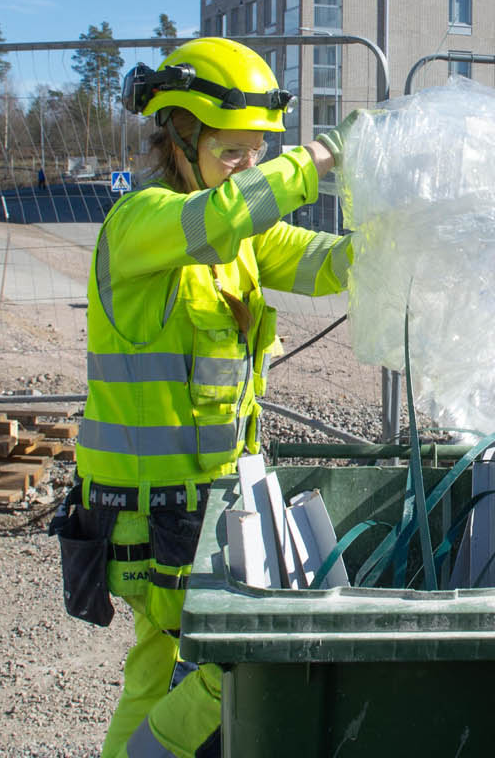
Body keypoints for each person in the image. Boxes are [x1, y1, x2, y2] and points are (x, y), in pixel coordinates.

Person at [53, 38, 355, 758]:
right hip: (153, 518)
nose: (248, 167)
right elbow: (219, 218)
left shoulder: (235, 234)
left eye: (257, 151)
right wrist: (319, 156)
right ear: (177, 139)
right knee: (239, 659)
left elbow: (323, 263)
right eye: (231, 153)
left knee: (159, 670)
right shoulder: (141, 225)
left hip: (207, 504)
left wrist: (411, 238)